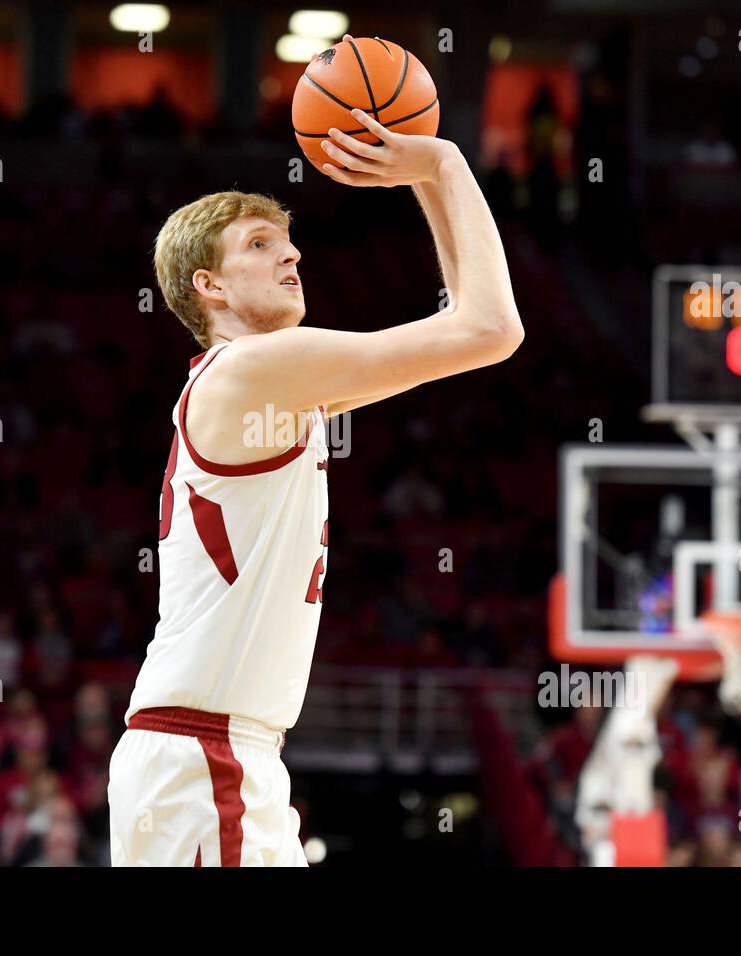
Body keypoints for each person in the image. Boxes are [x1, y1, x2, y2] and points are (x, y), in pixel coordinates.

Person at [108, 52, 525, 867]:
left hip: (228, 759)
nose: (291, 255)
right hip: (203, 758)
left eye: (290, 240)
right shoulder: (254, 371)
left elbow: (471, 326)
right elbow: (491, 328)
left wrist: (428, 179)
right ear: (212, 288)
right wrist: (439, 162)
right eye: (261, 245)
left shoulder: (270, 389)